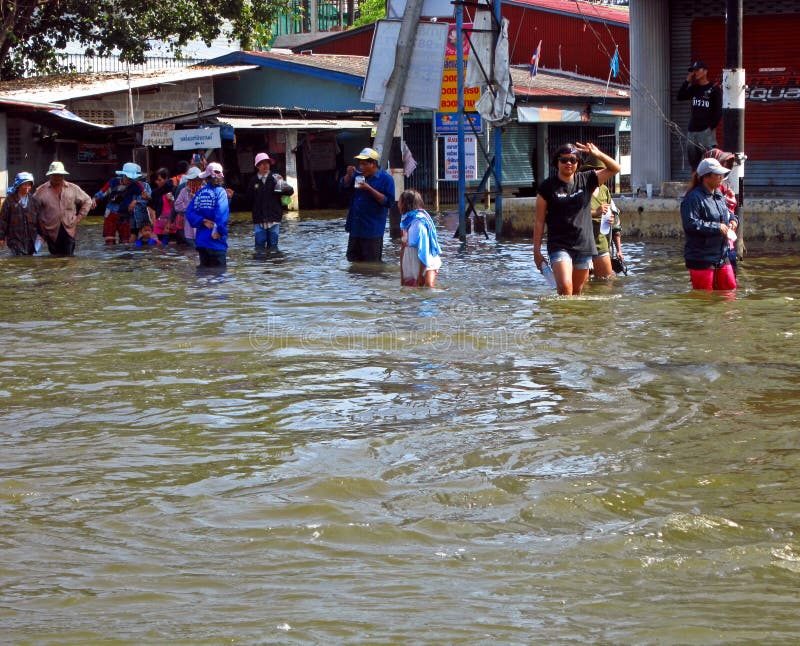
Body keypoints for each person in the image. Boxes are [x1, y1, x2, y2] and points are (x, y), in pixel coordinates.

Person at [533, 143, 621, 295]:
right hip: (559, 245)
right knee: (565, 287)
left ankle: (572, 319)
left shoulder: (587, 180)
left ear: (578, 163)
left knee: (577, 292)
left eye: (573, 160)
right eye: (564, 160)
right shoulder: (547, 187)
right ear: (557, 162)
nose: (569, 163)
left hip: (583, 244)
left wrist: (597, 154)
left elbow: (615, 169)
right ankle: (560, 317)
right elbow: (539, 221)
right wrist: (536, 251)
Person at [680, 157, 738, 291]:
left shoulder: (718, 195)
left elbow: (728, 214)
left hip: (722, 255)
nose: (722, 177)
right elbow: (691, 224)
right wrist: (717, 227)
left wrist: (734, 221)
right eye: (718, 174)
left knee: (730, 291)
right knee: (704, 297)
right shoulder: (693, 198)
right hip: (701, 257)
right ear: (706, 177)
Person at [341, 147, 395, 262]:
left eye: (364, 164)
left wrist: (369, 189)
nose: (361, 167)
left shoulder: (386, 179)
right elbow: (343, 189)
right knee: (353, 263)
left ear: (373, 164)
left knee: (372, 265)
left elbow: (388, 202)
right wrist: (348, 176)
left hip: (372, 232)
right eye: (360, 164)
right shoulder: (358, 176)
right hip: (355, 229)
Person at [233, 152, 294, 252]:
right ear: (257, 166)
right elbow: (248, 199)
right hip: (259, 219)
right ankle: (261, 267)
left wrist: (281, 183)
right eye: (262, 163)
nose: (265, 166)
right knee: (259, 247)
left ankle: (273, 266)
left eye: (267, 163)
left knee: (273, 246)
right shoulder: (253, 181)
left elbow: (290, 192)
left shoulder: (275, 178)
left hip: (274, 218)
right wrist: (234, 195)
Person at [33, 161, 92, 256]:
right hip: (50, 230)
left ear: (63, 175)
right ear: (50, 175)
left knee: (69, 258)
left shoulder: (73, 188)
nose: (57, 178)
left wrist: (79, 218)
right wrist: (41, 226)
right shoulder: (41, 191)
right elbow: (33, 209)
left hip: (69, 228)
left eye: (60, 175)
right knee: (54, 258)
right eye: (55, 175)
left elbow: (88, 201)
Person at [677, 60, 723, 171]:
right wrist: (687, 80)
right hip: (692, 131)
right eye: (694, 71)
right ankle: (695, 184)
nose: (695, 73)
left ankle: (709, 185)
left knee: (710, 162)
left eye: (697, 70)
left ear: (705, 71)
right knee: (694, 163)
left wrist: (710, 127)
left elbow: (718, 111)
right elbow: (680, 96)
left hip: (706, 131)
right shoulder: (694, 88)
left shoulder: (714, 89)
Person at [582, 156, 622, 280]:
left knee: (607, 280)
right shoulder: (580, 189)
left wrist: (619, 250)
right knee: (583, 284)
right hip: (582, 243)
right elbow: (572, 214)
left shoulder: (604, 190)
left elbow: (615, 224)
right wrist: (595, 212)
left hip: (601, 242)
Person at [185, 162, 229, 267]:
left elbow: (189, 213)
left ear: (207, 178)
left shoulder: (199, 193)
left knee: (204, 276)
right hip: (216, 242)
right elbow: (221, 215)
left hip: (202, 242)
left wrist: (202, 221)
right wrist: (218, 230)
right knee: (219, 277)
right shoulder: (221, 192)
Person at [92, 162, 146, 244]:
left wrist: (136, 201)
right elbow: (103, 192)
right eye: (128, 178)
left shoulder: (136, 185)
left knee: (125, 242)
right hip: (111, 214)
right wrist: (93, 200)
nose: (129, 180)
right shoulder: (113, 182)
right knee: (109, 241)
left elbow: (147, 197)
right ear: (124, 175)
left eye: (131, 179)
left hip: (125, 215)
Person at [398, 190, 442, 288]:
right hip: (410, 261)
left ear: (405, 203)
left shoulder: (419, 223)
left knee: (428, 287)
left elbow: (424, 250)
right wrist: (402, 275)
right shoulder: (405, 220)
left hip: (426, 261)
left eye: (400, 201)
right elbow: (402, 249)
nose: (398, 204)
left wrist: (421, 274)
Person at [0, 171, 41, 256]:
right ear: (18, 185)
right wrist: (1, 237)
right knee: (19, 257)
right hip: (15, 238)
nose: (27, 187)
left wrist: (42, 236)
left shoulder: (34, 201)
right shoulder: (9, 200)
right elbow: (3, 220)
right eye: (24, 184)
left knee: (29, 259)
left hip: (31, 239)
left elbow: (38, 220)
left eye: (29, 184)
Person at [173, 165, 203, 248]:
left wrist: (196, 201)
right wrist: (190, 203)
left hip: (202, 230)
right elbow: (177, 206)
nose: (195, 182)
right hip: (189, 230)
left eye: (197, 180)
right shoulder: (184, 191)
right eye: (193, 180)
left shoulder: (204, 191)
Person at [149, 167, 176, 245]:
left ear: (166, 179)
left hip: (172, 225)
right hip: (159, 224)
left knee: (172, 246)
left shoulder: (174, 190)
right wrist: (154, 222)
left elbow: (177, 207)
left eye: (160, 180)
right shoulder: (155, 192)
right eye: (156, 180)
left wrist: (171, 200)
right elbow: (151, 207)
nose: (157, 182)